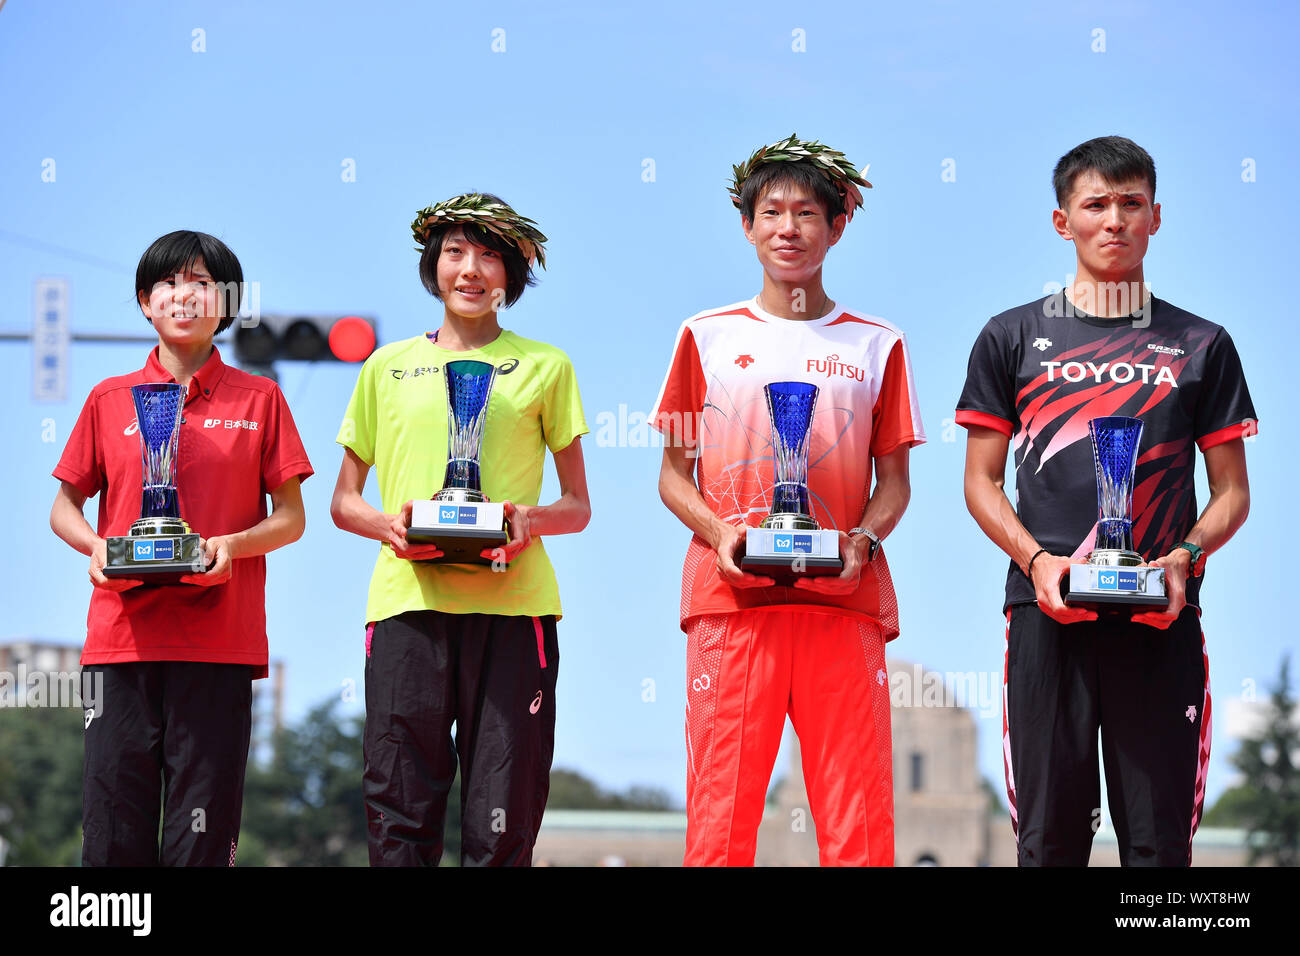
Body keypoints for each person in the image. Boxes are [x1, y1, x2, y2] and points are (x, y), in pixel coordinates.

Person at [957, 136, 1256, 866]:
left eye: (1130, 204)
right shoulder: (1012, 337)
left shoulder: (1202, 344)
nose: (1114, 220)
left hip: (1160, 618)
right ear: (1064, 221)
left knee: (1158, 851)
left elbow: (1232, 494)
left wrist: (1184, 559)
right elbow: (979, 482)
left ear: (1157, 216)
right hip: (1045, 617)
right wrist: (1037, 563)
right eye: (1096, 204)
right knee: (1049, 841)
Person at [651, 135, 926, 866]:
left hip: (843, 601)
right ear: (746, 225)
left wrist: (860, 543)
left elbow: (894, 484)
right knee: (720, 820)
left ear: (837, 226)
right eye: (771, 211)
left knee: (858, 825)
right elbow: (673, 475)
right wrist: (721, 534)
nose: (788, 228)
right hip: (732, 603)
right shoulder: (704, 337)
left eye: (807, 212)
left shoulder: (878, 345)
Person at [331, 193, 590, 866]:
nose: (470, 270)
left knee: (503, 819)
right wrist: (390, 526)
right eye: (454, 253)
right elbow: (343, 502)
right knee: (399, 808)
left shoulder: (546, 366)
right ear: (432, 265)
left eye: (489, 255)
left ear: (513, 274)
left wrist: (525, 520)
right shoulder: (385, 367)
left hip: (514, 610)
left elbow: (578, 506)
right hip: (407, 608)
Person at [50, 230, 312, 866]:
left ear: (226, 304)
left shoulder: (262, 399)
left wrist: (230, 544)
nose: (184, 295)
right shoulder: (108, 399)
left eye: (202, 283)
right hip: (118, 645)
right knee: (110, 836)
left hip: (219, 646)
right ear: (146, 302)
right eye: (168, 283)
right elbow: (64, 508)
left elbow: (292, 519)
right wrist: (96, 548)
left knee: (201, 837)